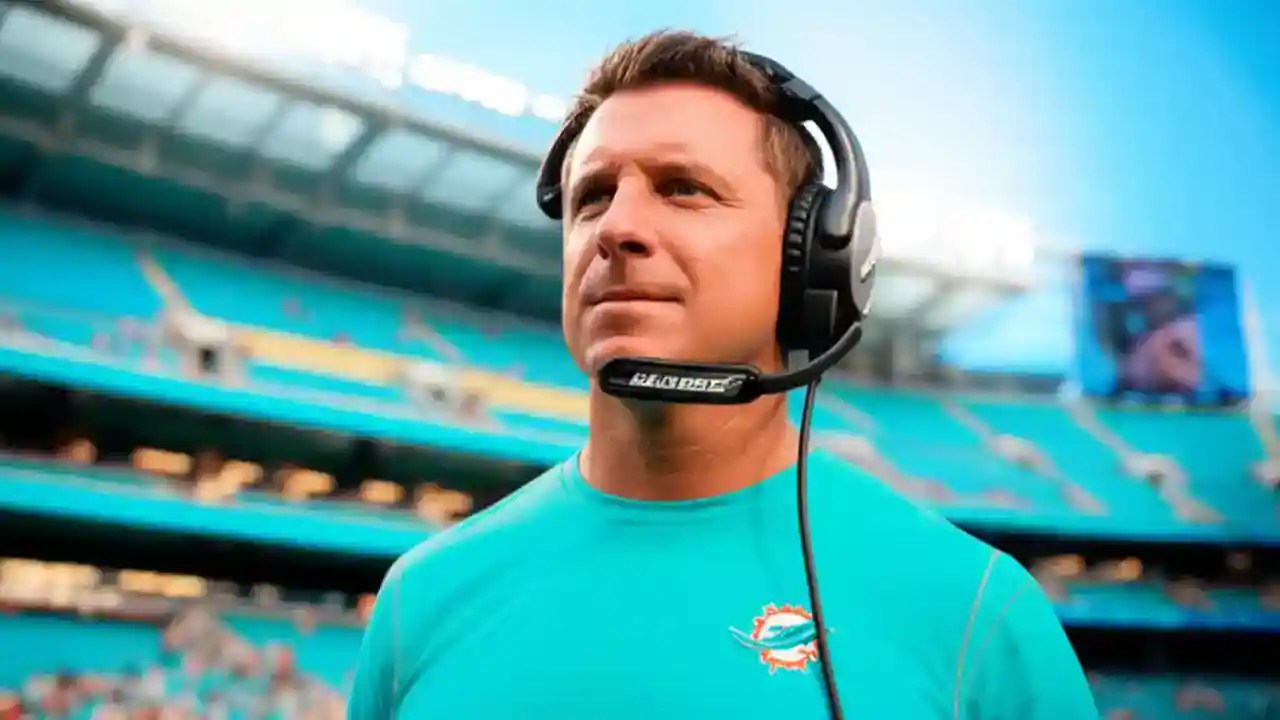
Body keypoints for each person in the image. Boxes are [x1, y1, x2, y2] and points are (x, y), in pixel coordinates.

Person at [348, 30, 1097, 719]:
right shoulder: (421, 598)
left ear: (813, 257)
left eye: (683, 188)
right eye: (593, 197)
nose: (616, 228)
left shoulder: (973, 613)